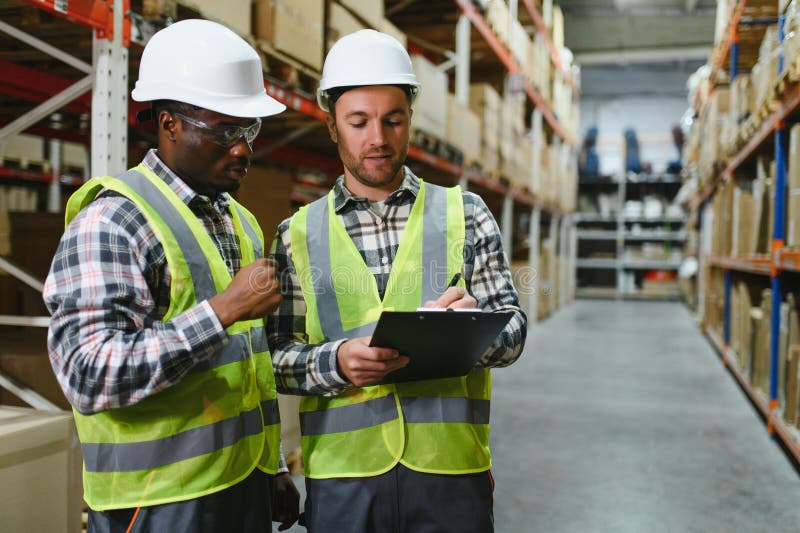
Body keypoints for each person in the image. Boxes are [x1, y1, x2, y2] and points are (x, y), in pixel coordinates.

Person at [43, 19, 299, 532]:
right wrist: (221, 312)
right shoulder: (114, 221)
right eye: (224, 131)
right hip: (156, 503)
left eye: (249, 130)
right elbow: (88, 374)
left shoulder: (240, 221)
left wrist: (271, 466)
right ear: (170, 123)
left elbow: (252, 369)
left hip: (238, 486)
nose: (243, 149)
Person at [266, 29, 527, 532]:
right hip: (344, 479)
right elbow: (275, 359)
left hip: (450, 474)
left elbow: (513, 333)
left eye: (393, 120)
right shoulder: (296, 234)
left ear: (410, 119)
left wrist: (470, 325)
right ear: (332, 126)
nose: (378, 139)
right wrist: (337, 361)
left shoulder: (466, 213)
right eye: (358, 122)